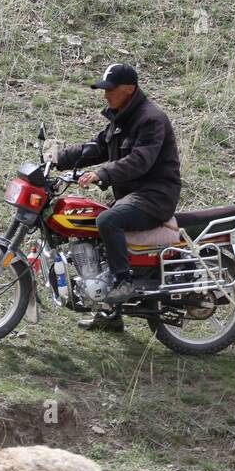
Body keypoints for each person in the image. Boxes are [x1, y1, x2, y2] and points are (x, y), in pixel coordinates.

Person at [54, 63, 182, 305]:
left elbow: (139, 160)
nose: (106, 94)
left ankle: (123, 282)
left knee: (107, 220)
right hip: (132, 196)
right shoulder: (122, 118)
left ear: (129, 89)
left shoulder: (151, 119)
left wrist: (102, 173)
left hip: (154, 197)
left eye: (111, 89)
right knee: (94, 225)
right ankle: (108, 314)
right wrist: (57, 159)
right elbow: (97, 147)